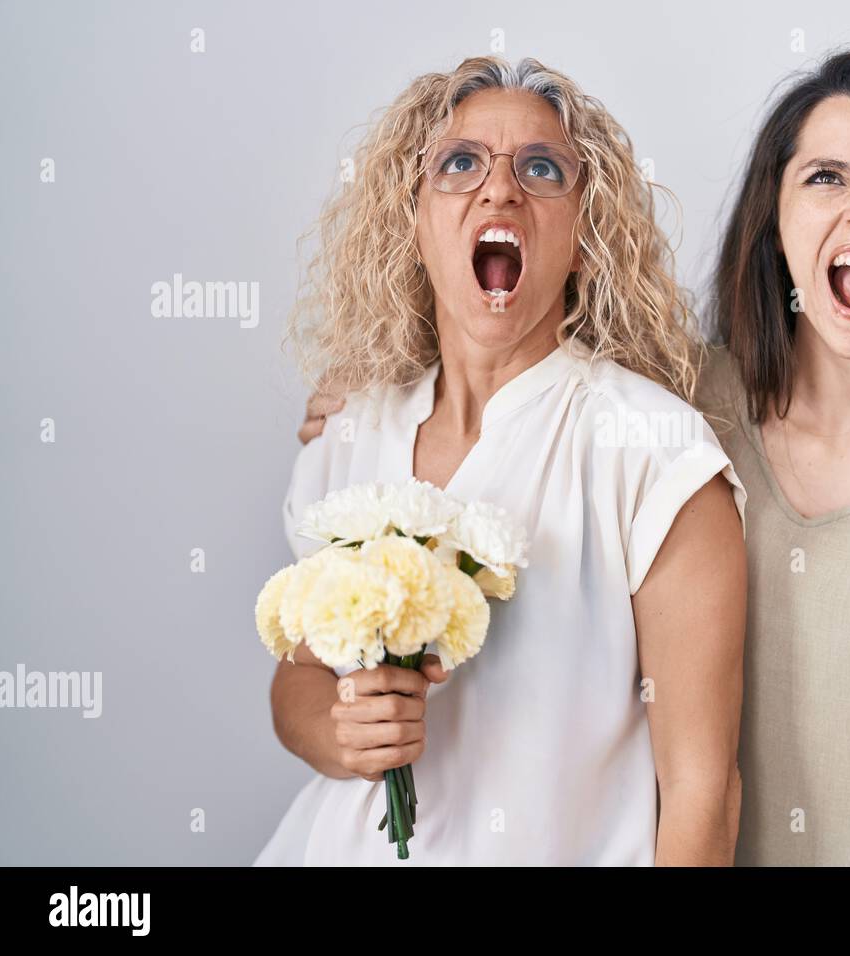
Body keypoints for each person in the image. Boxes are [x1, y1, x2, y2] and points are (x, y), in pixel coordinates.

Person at [301, 50, 850, 867]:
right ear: (775, 220)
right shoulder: (690, 398)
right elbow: (528, 366)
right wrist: (367, 398)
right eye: (825, 177)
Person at [258, 55, 747, 866]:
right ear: (411, 225)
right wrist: (342, 731)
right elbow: (295, 681)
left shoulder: (655, 453)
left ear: (586, 239)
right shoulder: (349, 435)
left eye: (541, 168)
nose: (499, 190)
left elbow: (702, 789)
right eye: (459, 164)